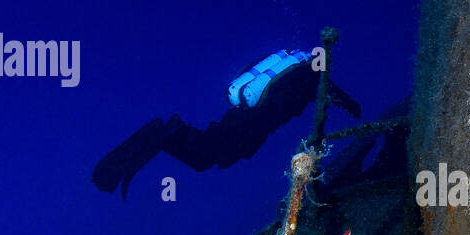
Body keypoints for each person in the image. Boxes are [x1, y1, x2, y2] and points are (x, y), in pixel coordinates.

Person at [92, 49, 361, 199]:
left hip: (242, 116)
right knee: (207, 158)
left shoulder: (287, 68)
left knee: (209, 152)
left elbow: (248, 73)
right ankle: (165, 134)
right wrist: (353, 108)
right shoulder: (312, 78)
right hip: (252, 125)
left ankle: (170, 133)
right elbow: (338, 97)